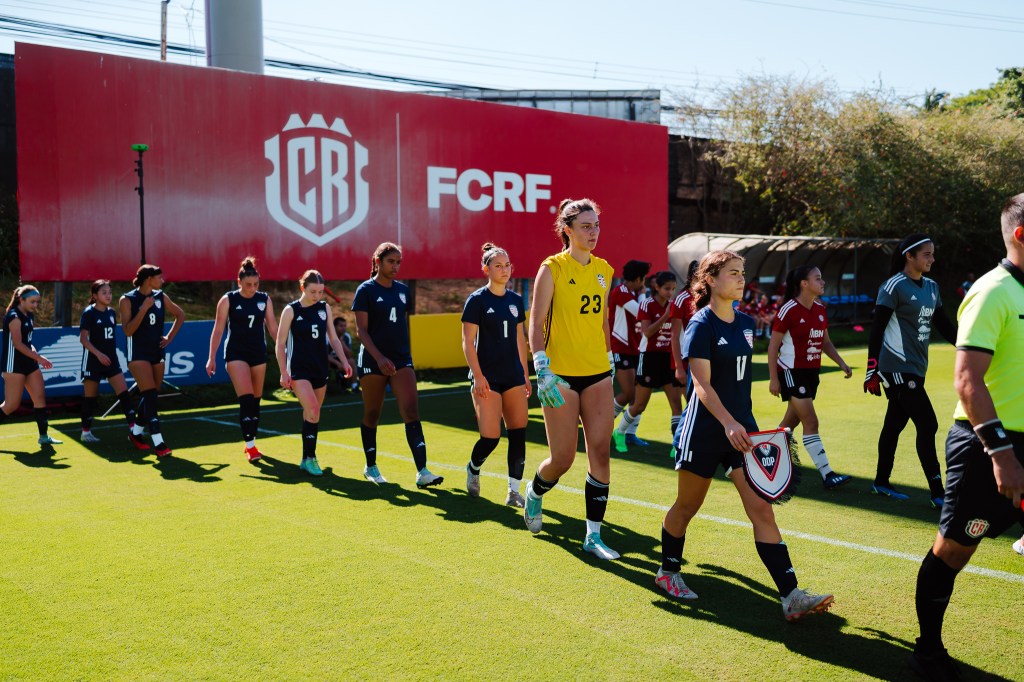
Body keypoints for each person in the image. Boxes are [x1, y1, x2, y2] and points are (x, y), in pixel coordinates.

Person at [656, 250, 834, 621]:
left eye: (742, 273)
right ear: (710, 280)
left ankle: (791, 596)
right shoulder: (700, 324)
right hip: (705, 429)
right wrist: (727, 422)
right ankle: (668, 571)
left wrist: (744, 425)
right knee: (688, 506)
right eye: (733, 273)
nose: (741, 279)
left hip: (742, 431)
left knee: (761, 508)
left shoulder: (748, 323)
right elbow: (701, 385)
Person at [910, 194, 1024, 680]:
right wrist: (1002, 453)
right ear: (1020, 235)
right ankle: (928, 648)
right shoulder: (993, 291)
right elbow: (967, 380)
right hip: (988, 448)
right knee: (955, 549)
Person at [523, 198, 619, 560]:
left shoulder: (605, 270)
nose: (593, 232)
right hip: (559, 375)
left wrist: (609, 358)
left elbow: (603, 320)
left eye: (596, 225)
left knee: (600, 451)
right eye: (585, 226)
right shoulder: (552, 268)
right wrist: (541, 366)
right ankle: (534, 494)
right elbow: (535, 321)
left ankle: (593, 535)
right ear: (568, 230)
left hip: (597, 373)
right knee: (562, 458)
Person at [865, 234, 957, 507]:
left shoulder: (931, 287)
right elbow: (877, 329)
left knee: (894, 424)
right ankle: (939, 493)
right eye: (926, 254)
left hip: (917, 368)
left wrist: (969, 347)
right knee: (928, 423)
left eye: (932, 253)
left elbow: (944, 325)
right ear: (909, 256)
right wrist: (872, 370)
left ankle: (881, 483)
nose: (932, 258)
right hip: (895, 368)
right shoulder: (893, 287)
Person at [353, 242, 443, 488]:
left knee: (411, 412)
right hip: (373, 360)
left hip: (401, 360)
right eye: (391, 261)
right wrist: (380, 358)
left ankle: (423, 472)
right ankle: (370, 466)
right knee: (372, 414)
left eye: (398, 262)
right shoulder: (365, 291)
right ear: (378, 261)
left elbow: (402, 326)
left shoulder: (403, 291)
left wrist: (404, 355)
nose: (395, 266)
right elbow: (361, 330)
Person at [767, 265, 853, 489]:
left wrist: (841, 362)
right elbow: (773, 346)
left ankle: (764, 459)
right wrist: (774, 379)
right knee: (811, 421)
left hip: (811, 374)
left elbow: (825, 342)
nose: (823, 282)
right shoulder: (788, 309)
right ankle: (828, 474)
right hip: (791, 372)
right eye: (818, 278)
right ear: (804, 284)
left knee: (788, 425)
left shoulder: (820, 309)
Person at [461, 242, 530, 507]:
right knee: (490, 437)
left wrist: (525, 374)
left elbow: (520, 339)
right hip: (487, 377)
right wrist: (477, 375)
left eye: (507, 265)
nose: (504, 270)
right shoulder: (477, 300)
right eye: (498, 265)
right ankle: (473, 468)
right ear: (486, 269)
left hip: (513, 375)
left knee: (518, 432)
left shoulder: (515, 300)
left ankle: (514, 492)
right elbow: (467, 341)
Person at [275, 269, 352, 476]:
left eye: (320, 292)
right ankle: (311, 459)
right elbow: (280, 343)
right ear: (303, 288)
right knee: (314, 410)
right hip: (299, 370)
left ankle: (305, 458)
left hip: (320, 368)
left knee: (312, 414)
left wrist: (344, 362)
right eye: (313, 292)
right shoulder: (291, 311)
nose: (317, 296)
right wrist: (283, 372)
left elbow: (334, 338)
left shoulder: (324, 308)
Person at [206, 257, 279, 462]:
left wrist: (286, 349)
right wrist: (211, 358)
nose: (252, 288)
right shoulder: (228, 299)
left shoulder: (264, 299)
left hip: (258, 353)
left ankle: (250, 442)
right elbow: (218, 329)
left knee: (255, 402)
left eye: (256, 284)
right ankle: (251, 446)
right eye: (248, 285)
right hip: (236, 354)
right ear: (239, 282)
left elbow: (273, 327)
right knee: (246, 399)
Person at [613, 271, 683, 453]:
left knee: (676, 404)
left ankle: (676, 445)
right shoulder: (647, 304)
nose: (670, 293)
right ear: (657, 287)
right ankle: (619, 432)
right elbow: (647, 332)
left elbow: (676, 333)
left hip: (668, 358)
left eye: (673, 289)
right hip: (649, 358)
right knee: (639, 405)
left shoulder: (674, 305)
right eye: (667, 288)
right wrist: (666, 316)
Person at [119, 264, 185, 457]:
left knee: (152, 395)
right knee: (149, 396)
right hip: (138, 354)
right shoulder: (127, 299)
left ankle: (136, 433)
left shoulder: (161, 296)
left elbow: (180, 315)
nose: (162, 281)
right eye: (159, 278)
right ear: (149, 279)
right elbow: (128, 331)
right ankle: (159, 443)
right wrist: (144, 309)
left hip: (156, 352)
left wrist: (169, 337)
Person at [78, 279, 142, 447]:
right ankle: (86, 432)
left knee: (124, 394)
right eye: (104, 292)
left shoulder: (111, 313)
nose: (108, 295)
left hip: (111, 361)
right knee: (90, 398)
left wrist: (108, 356)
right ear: (94, 295)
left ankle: (134, 429)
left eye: (110, 292)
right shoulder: (89, 313)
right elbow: (83, 339)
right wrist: (98, 355)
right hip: (93, 360)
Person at [0, 285, 61, 445]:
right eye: (32, 302)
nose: (35, 305)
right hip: (14, 365)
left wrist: (35, 355)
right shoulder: (14, 316)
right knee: (11, 405)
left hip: (29, 363)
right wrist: (39, 358)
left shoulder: (29, 315)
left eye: (37, 302)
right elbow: (18, 344)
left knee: (40, 398)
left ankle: (43, 437)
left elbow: (28, 343)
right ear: (22, 299)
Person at [609, 259, 650, 446]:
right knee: (628, 393)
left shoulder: (631, 292)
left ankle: (630, 434)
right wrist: (642, 295)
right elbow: (641, 312)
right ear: (638, 278)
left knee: (636, 396)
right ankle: (604, 426)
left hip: (635, 349)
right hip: (621, 347)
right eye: (643, 279)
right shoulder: (621, 292)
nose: (644, 284)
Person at [328, 316, 358, 393]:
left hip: (341, 359)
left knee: (351, 361)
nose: (343, 328)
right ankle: (327, 387)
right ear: (334, 326)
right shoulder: (326, 336)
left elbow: (350, 355)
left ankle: (354, 386)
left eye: (344, 326)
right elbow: (324, 355)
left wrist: (342, 342)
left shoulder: (346, 337)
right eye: (341, 326)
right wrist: (338, 363)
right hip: (330, 360)